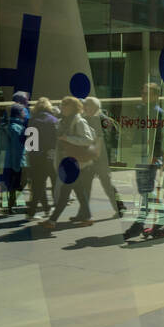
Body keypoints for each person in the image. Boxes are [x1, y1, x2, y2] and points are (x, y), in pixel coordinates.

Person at [40, 96, 98, 230]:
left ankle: (52, 221)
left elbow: (87, 140)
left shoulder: (79, 121)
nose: (62, 107)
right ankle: (88, 217)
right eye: (62, 104)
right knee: (78, 191)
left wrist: (68, 138)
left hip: (76, 162)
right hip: (67, 161)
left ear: (73, 107)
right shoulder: (63, 121)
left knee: (65, 192)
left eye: (65, 105)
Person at [123, 83, 164, 239]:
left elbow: (162, 136)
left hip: (150, 157)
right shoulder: (141, 110)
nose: (142, 96)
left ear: (155, 96)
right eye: (142, 93)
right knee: (144, 190)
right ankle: (161, 214)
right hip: (140, 154)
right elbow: (137, 133)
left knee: (146, 190)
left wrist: (157, 157)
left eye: (146, 94)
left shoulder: (158, 113)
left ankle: (140, 223)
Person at [82, 96, 126, 219]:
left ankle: (120, 206)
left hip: (101, 159)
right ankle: (83, 212)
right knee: (85, 185)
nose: (85, 108)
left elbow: (105, 140)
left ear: (95, 107)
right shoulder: (85, 118)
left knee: (107, 184)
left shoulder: (103, 120)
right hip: (89, 158)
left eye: (87, 105)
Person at [23, 96, 60, 219]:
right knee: (55, 182)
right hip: (49, 157)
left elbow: (28, 143)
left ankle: (32, 212)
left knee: (38, 186)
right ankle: (55, 208)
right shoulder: (53, 120)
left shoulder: (32, 120)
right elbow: (57, 140)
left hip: (35, 158)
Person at [0, 92, 29, 214]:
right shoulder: (17, 128)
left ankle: (7, 206)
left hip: (7, 161)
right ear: (18, 113)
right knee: (17, 183)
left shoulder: (7, 125)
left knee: (8, 183)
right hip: (15, 161)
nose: (24, 113)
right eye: (22, 112)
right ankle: (9, 206)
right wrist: (17, 164)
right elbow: (17, 148)